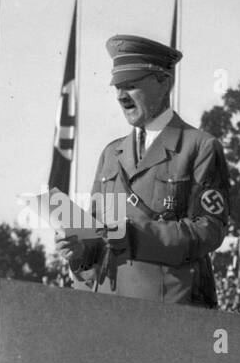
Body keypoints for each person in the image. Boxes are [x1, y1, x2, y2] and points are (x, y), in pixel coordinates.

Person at [58, 36, 231, 305]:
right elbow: (98, 233)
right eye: (117, 87)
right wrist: (80, 250)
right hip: (108, 306)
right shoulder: (111, 154)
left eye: (131, 85)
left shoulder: (200, 147)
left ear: (163, 82)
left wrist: (137, 236)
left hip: (169, 306)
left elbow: (208, 230)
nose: (121, 96)